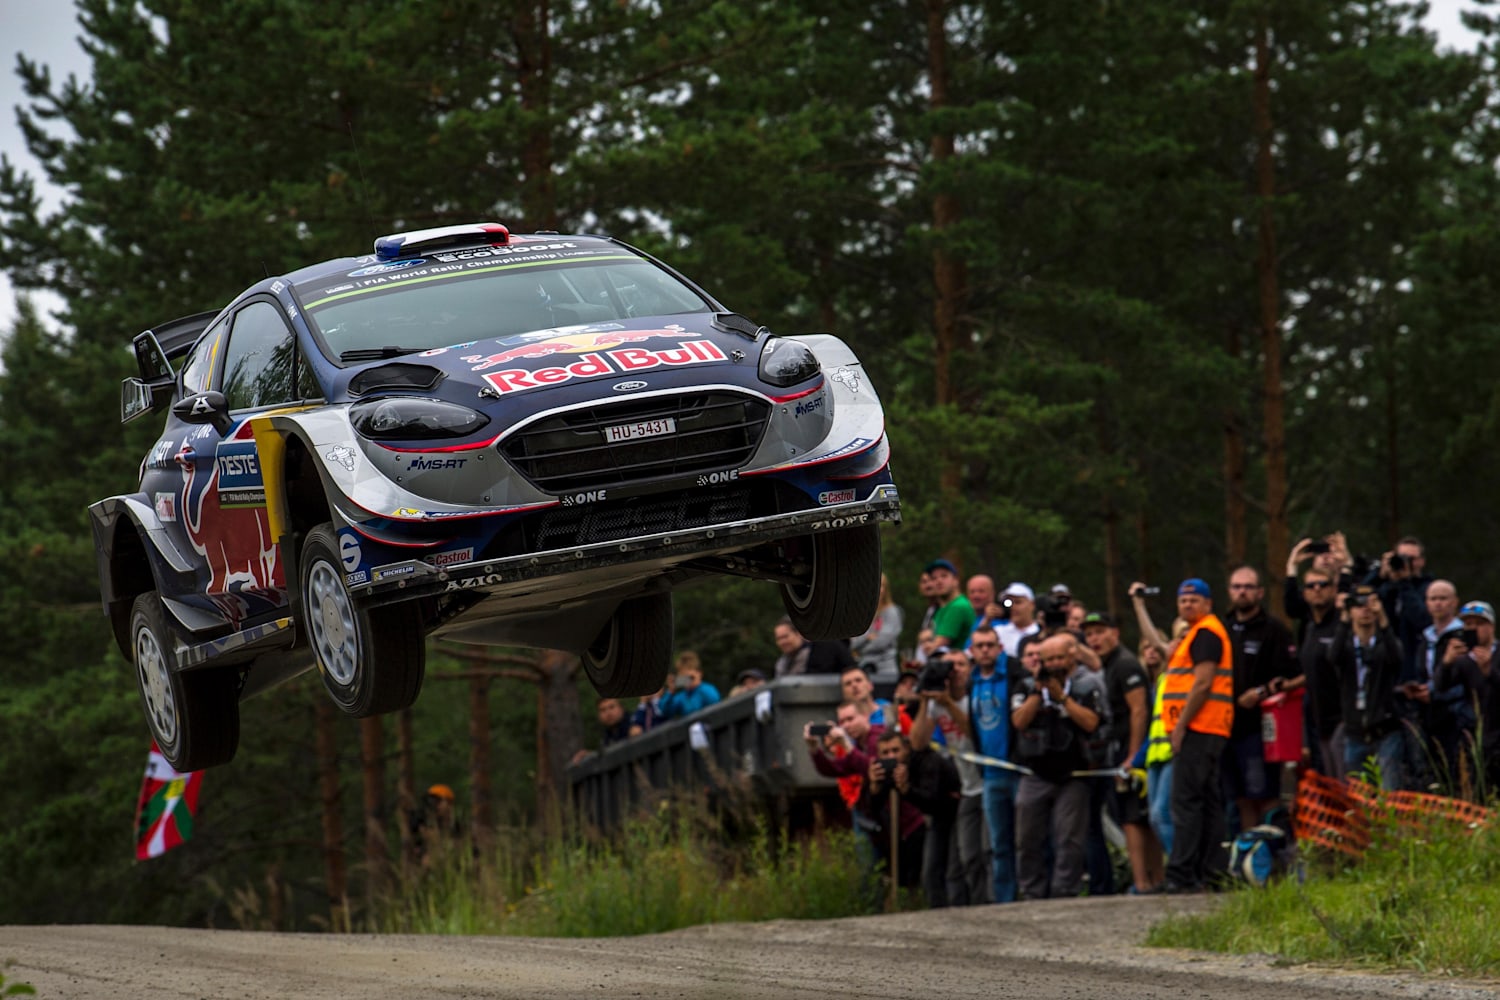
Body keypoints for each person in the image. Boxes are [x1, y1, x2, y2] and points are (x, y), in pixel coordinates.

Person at [1010, 634, 1105, 899]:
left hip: (1074, 773)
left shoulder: (1087, 685)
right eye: (1048, 659)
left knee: (1069, 839)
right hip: (1035, 772)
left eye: (1059, 658)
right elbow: (1018, 722)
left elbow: (1091, 723)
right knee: (1027, 837)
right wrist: (1037, 693)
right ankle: (1032, 891)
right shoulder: (1025, 685)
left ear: (1071, 657)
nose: (1054, 664)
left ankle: (1065, 892)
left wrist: (1061, 697)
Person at [1161, 578, 1234, 894]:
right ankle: (1212, 871)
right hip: (1208, 727)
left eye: (1194, 600)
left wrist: (1180, 726)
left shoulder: (1206, 633)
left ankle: (1182, 873)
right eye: (1183, 600)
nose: (1188, 605)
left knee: (1186, 802)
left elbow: (1202, 684)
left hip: (1199, 727)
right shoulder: (1197, 633)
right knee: (1207, 801)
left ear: (1208, 604)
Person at [1084, 611, 1161, 893]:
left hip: (1131, 751)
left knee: (1133, 818)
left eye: (1100, 632)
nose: (1094, 639)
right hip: (1116, 748)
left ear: (1114, 633)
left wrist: (1132, 756)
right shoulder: (1104, 665)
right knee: (1134, 817)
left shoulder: (1125, 664)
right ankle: (1152, 880)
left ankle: (1144, 882)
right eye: (1089, 634)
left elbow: (1139, 710)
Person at [1222, 566, 1301, 833]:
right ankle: (1248, 850)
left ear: (1260, 592)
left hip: (1261, 728)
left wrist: (1261, 692)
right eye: (1237, 587)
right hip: (1226, 727)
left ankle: (1273, 847)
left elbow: (1295, 676)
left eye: (1248, 587)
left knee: (1264, 794)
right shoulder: (1222, 628)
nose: (1242, 592)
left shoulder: (1274, 630)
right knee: (1240, 798)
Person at [910, 647, 989, 906]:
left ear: (970, 668)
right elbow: (918, 743)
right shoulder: (936, 704)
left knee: (987, 851)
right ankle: (976, 905)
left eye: (960, 665)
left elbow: (976, 734)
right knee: (967, 856)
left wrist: (948, 704)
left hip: (988, 782)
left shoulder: (975, 696)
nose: (955, 671)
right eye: (949, 666)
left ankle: (992, 902)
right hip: (967, 786)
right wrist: (924, 700)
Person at [1330, 586, 1405, 789]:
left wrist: (1383, 619)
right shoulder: (1346, 646)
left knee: (1389, 792)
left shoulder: (1384, 644)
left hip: (1385, 730)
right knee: (1359, 794)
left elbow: (1396, 659)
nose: (1365, 609)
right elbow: (1333, 657)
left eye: (1370, 604)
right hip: (1355, 731)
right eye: (1358, 605)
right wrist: (1344, 619)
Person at [965, 624, 1017, 903]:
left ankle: (1032, 894)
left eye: (990, 645)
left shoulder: (1012, 675)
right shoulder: (972, 681)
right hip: (990, 774)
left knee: (1025, 839)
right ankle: (1004, 900)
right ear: (972, 651)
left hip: (1016, 769)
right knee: (998, 843)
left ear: (1000, 648)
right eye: (980, 646)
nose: (985, 650)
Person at [1436, 600, 1500, 791]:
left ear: (1491, 626)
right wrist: (1446, 663)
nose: (1473, 629)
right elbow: (1440, 687)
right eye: (1468, 625)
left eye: (1479, 624)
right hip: (1476, 735)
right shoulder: (1464, 661)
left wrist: (1490, 672)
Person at [859, 731, 932, 895]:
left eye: (895, 750)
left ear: (905, 749)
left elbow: (928, 799)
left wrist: (906, 788)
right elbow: (871, 809)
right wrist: (874, 787)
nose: (891, 756)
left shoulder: (918, 766)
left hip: (921, 828)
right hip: (894, 835)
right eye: (885, 753)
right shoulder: (879, 774)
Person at [1292, 566, 1345, 778]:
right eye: (1310, 585)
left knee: (1348, 787)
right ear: (1304, 593)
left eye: (1323, 584)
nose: (1317, 589)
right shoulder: (1310, 628)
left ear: (1334, 589)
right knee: (1328, 787)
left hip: (1344, 722)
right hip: (1318, 723)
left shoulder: (1343, 624)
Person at [851, 574, 903, 676]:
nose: (878, 589)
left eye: (881, 585)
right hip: (864, 667)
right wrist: (868, 637)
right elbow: (852, 643)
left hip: (886, 669)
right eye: (874, 585)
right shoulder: (862, 614)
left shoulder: (891, 612)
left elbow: (882, 642)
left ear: (886, 589)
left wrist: (860, 649)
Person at [921, 559, 974, 654]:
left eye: (944, 576)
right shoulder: (942, 608)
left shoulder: (957, 606)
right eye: (934, 578)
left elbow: (936, 647)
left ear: (956, 580)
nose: (939, 581)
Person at [772, 617, 854, 678]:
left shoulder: (822, 650)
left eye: (785, 637)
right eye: (778, 639)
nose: (782, 642)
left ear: (798, 634)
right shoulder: (781, 664)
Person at [657, 651, 721, 720]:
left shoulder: (708, 689)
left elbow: (715, 702)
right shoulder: (681, 697)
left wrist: (695, 682)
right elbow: (665, 711)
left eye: (690, 677)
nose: (687, 680)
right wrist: (670, 691)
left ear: (699, 673)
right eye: (683, 677)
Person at [841, 663, 894, 728]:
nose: (854, 685)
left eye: (858, 680)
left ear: (870, 685)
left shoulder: (887, 708)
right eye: (848, 683)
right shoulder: (844, 723)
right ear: (843, 693)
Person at [996, 583, 1040, 657]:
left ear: (1032, 605)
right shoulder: (998, 633)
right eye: (1010, 603)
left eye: (1018, 602)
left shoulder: (1040, 632)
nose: (1013, 607)